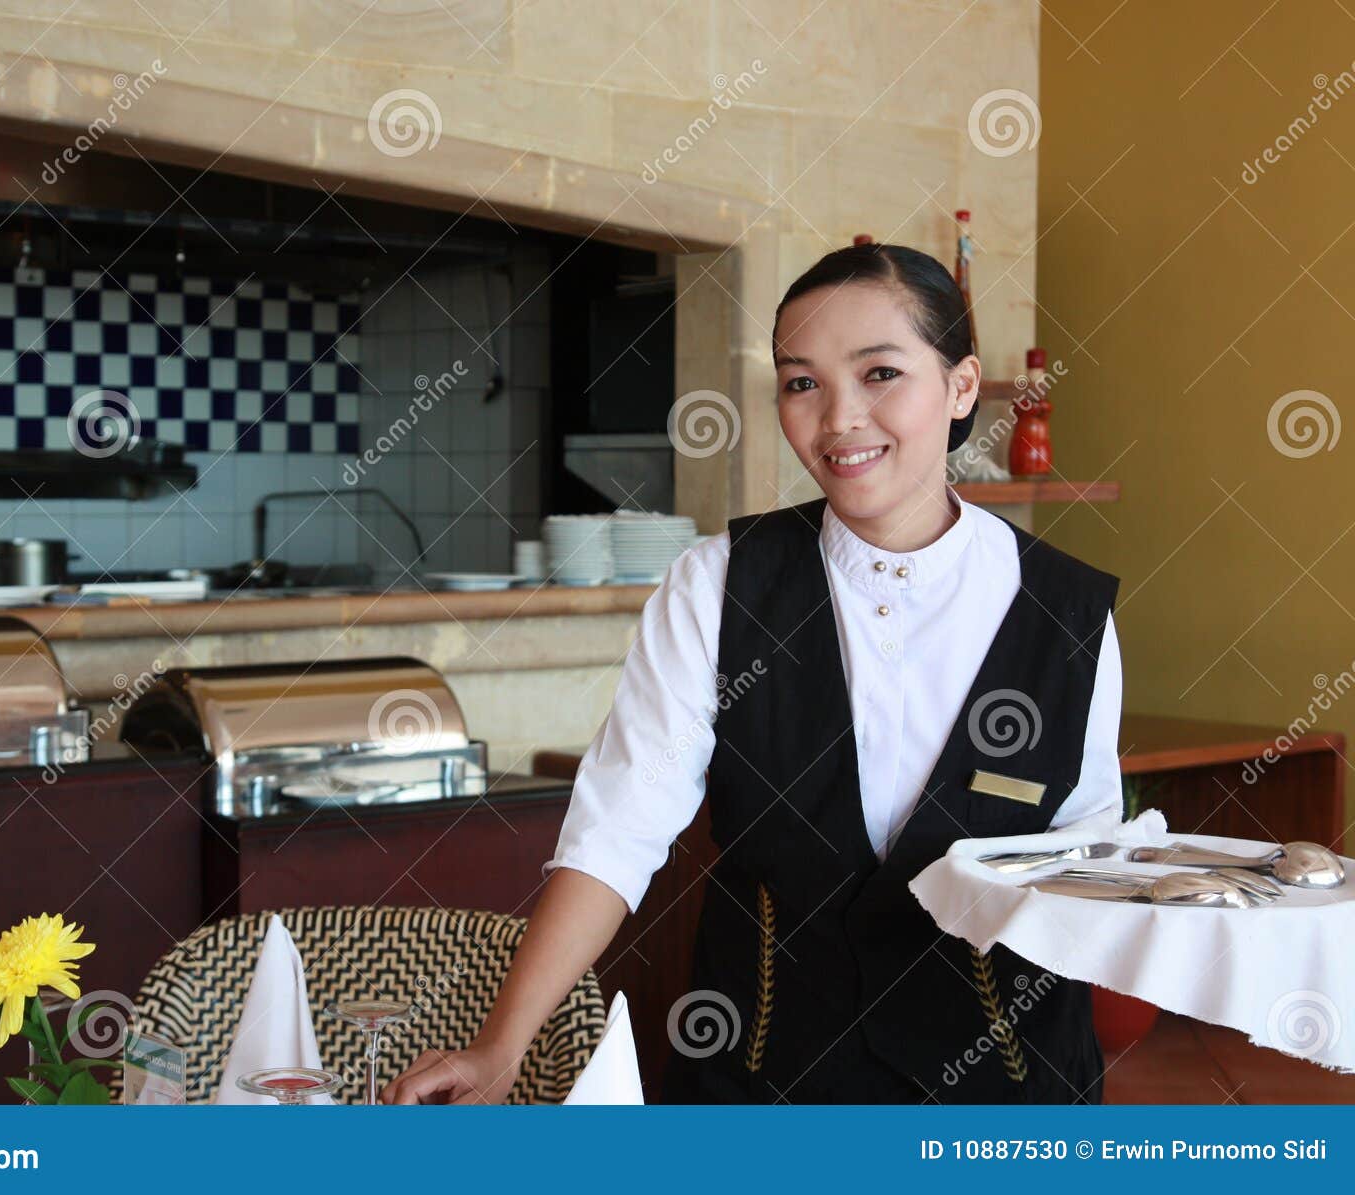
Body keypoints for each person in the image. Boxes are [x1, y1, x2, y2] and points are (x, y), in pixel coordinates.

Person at [382, 242, 1123, 1105]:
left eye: (880, 373)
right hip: (764, 1078)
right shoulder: (720, 583)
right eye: (802, 382)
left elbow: (1087, 859)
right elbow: (618, 829)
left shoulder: (1066, 610)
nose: (839, 418)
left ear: (962, 387)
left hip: (1006, 1092)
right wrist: (501, 1043)